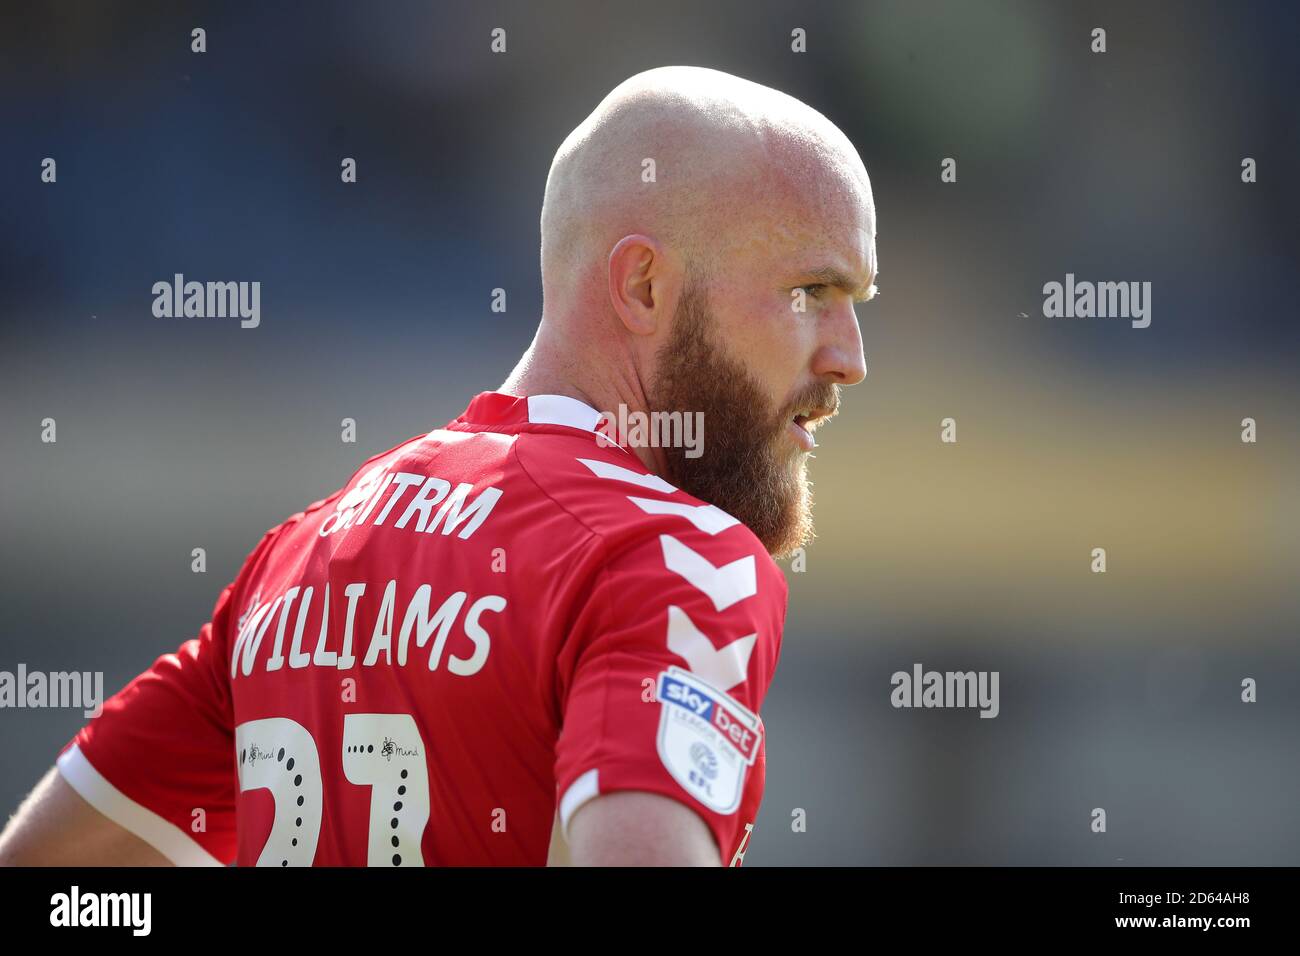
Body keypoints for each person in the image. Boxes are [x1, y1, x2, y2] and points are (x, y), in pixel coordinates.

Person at [0, 65, 874, 867]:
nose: (850, 357)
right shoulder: (676, 558)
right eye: (813, 293)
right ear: (645, 287)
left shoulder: (297, 559)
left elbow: (55, 877)